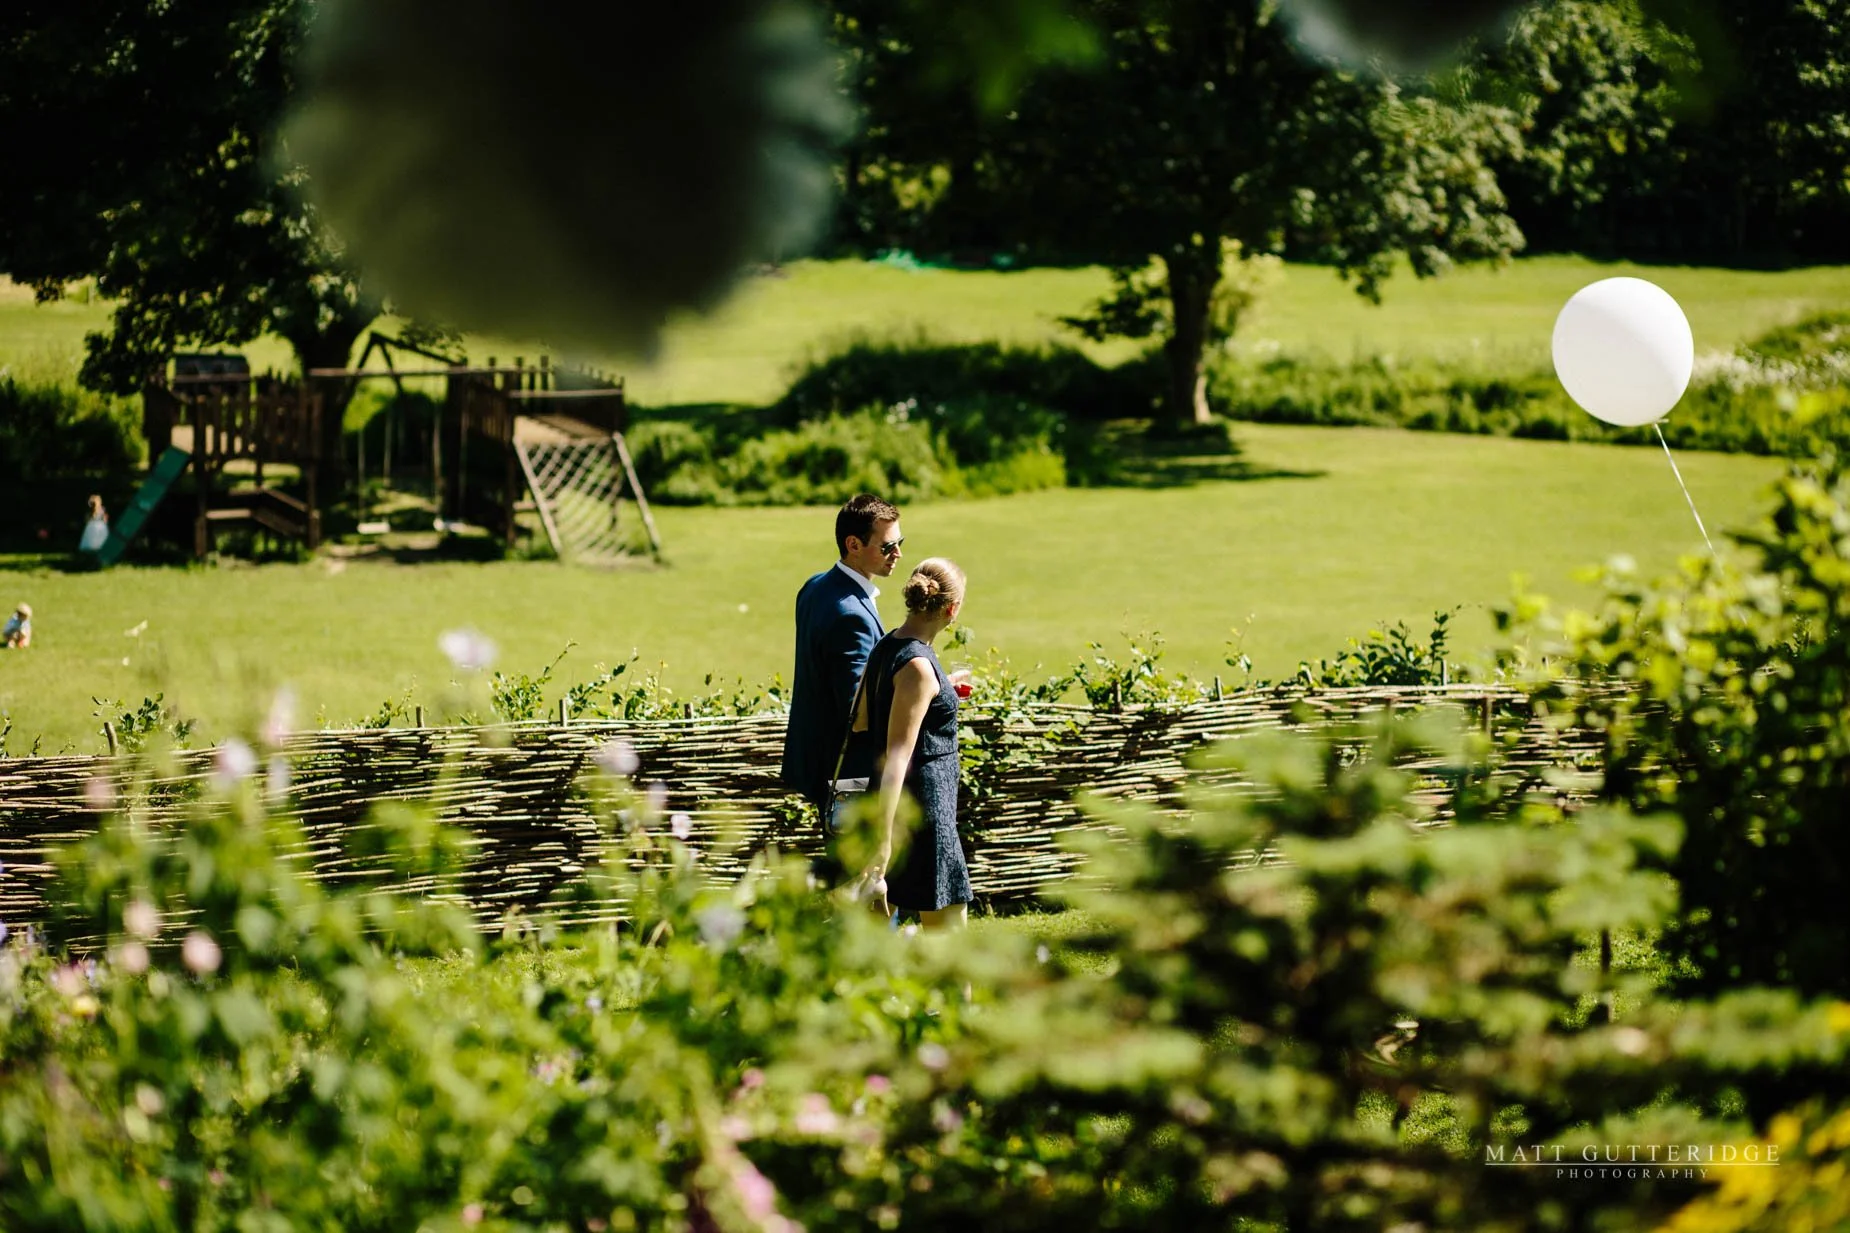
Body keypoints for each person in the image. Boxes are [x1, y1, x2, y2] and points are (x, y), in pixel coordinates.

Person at [854, 558, 973, 930]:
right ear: (951, 609)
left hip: (894, 808)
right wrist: (883, 844)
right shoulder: (919, 667)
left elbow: (860, 720)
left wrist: (940, 690)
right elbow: (897, 757)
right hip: (923, 815)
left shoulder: (887, 645)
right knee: (951, 947)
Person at [781, 494, 903, 816]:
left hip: (818, 761)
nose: (898, 554)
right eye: (888, 546)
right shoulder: (853, 616)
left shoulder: (814, 586)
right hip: (850, 775)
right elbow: (857, 711)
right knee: (859, 866)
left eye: (899, 542)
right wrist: (925, 690)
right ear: (853, 544)